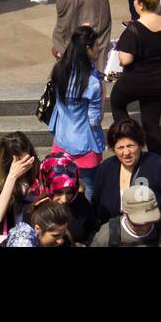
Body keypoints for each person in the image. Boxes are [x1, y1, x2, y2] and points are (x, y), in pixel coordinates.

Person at [111, 0, 161, 156]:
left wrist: (119, 54)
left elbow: (126, 60)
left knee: (117, 103)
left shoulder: (133, 29)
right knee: (151, 123)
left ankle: (129, 138)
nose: (134, 2)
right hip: (159, 80)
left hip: (135, 79)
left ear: (140, 4)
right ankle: (155, 158)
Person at [91, 118, 161, 225]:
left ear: (140, 144)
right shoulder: (106, 169)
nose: (126, 152)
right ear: (113, 149)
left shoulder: (160, 167)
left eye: (130, 146)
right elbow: (96, 204)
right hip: (113, 234)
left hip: (152, 235)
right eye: (120, 147)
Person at [47, 26, 105, 199]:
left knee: (63, 187)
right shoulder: (93, 83)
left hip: (61, 139)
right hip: (85, 145)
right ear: (87, 49)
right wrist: (103, 98)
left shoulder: (59, 71)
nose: (99, 48)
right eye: (96, 45)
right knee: (87, 189)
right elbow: (94, 120)